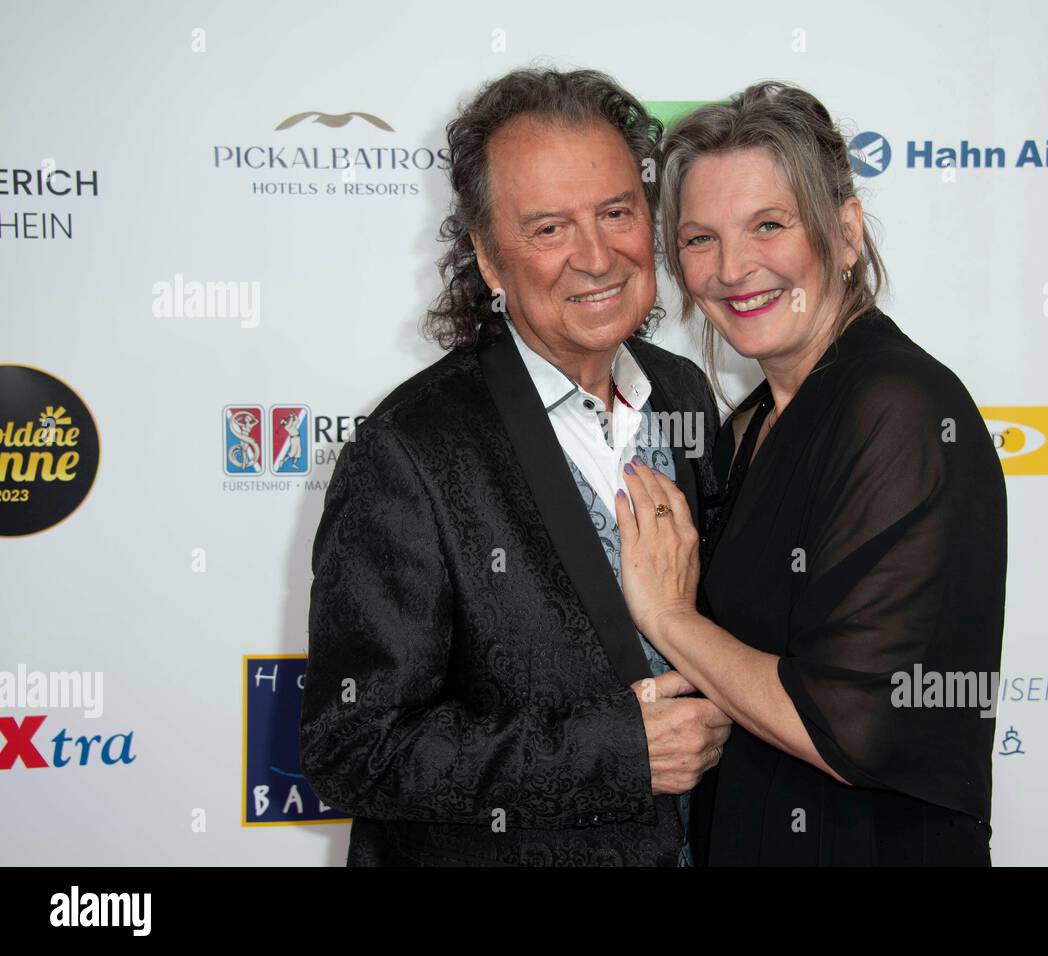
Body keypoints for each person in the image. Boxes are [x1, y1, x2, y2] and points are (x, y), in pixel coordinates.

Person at [300, 68, 730, 867]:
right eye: (548, 229)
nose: (595, 256)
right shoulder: (409, 449)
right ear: (490, 261)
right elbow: (350, 746)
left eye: (616, 212)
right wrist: (615, 754)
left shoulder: (684, 394)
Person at [613, 81, 1008, 865]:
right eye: (699, 240)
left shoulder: (897, 407)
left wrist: (669, 620)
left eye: (769, 225)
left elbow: (852, 726)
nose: (734, 268)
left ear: (847, 232)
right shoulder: (751, 421)